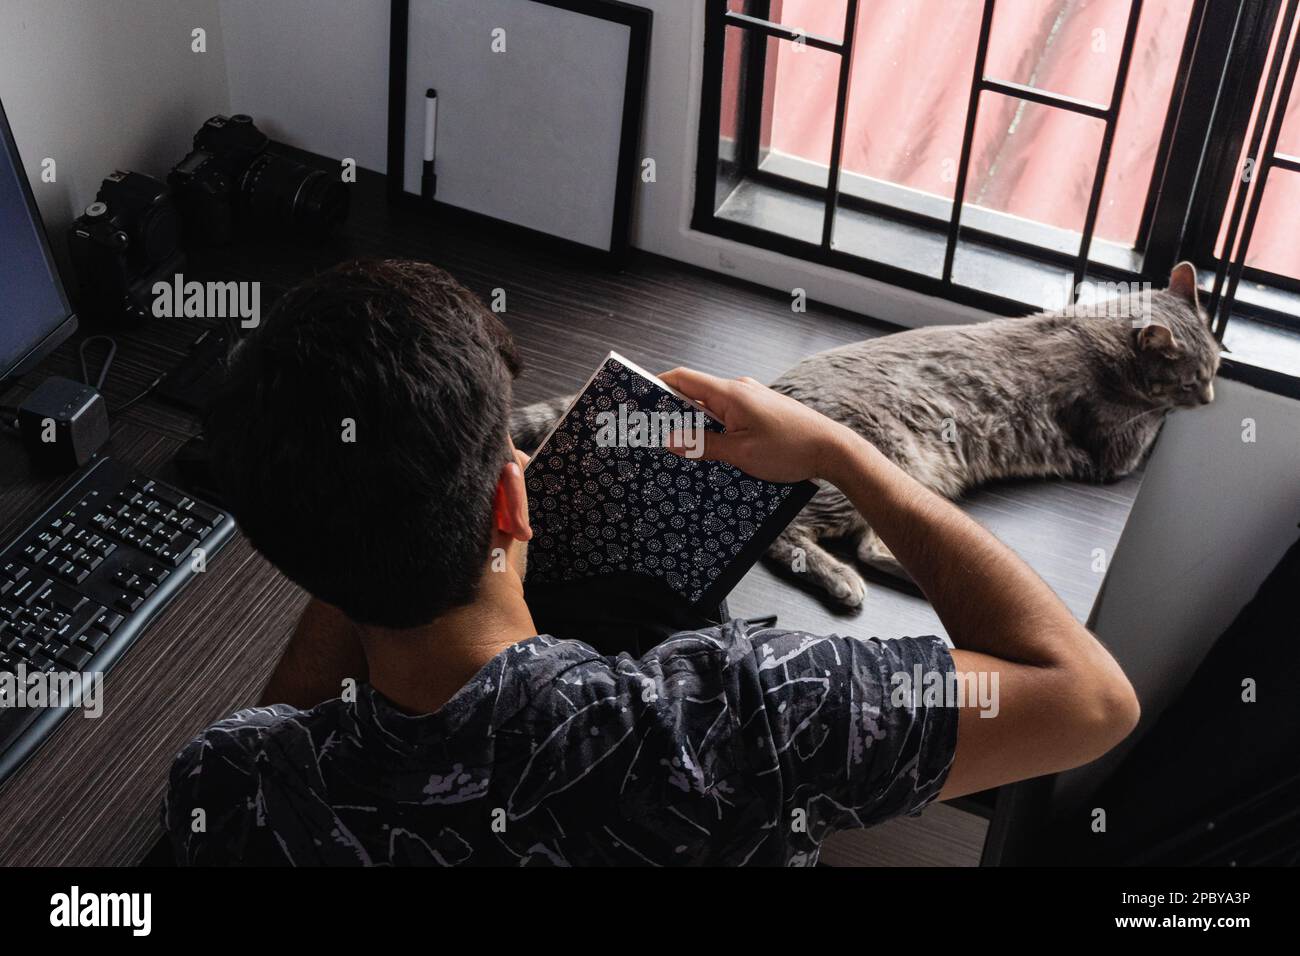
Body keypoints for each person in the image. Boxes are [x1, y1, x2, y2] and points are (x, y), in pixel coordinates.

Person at [163, 258, 1139, 866]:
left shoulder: (232, 781)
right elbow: (1088, 698)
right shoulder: (731, 719)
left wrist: (361, 524)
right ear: (514, 502)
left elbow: (283, 719)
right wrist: (853, 455)